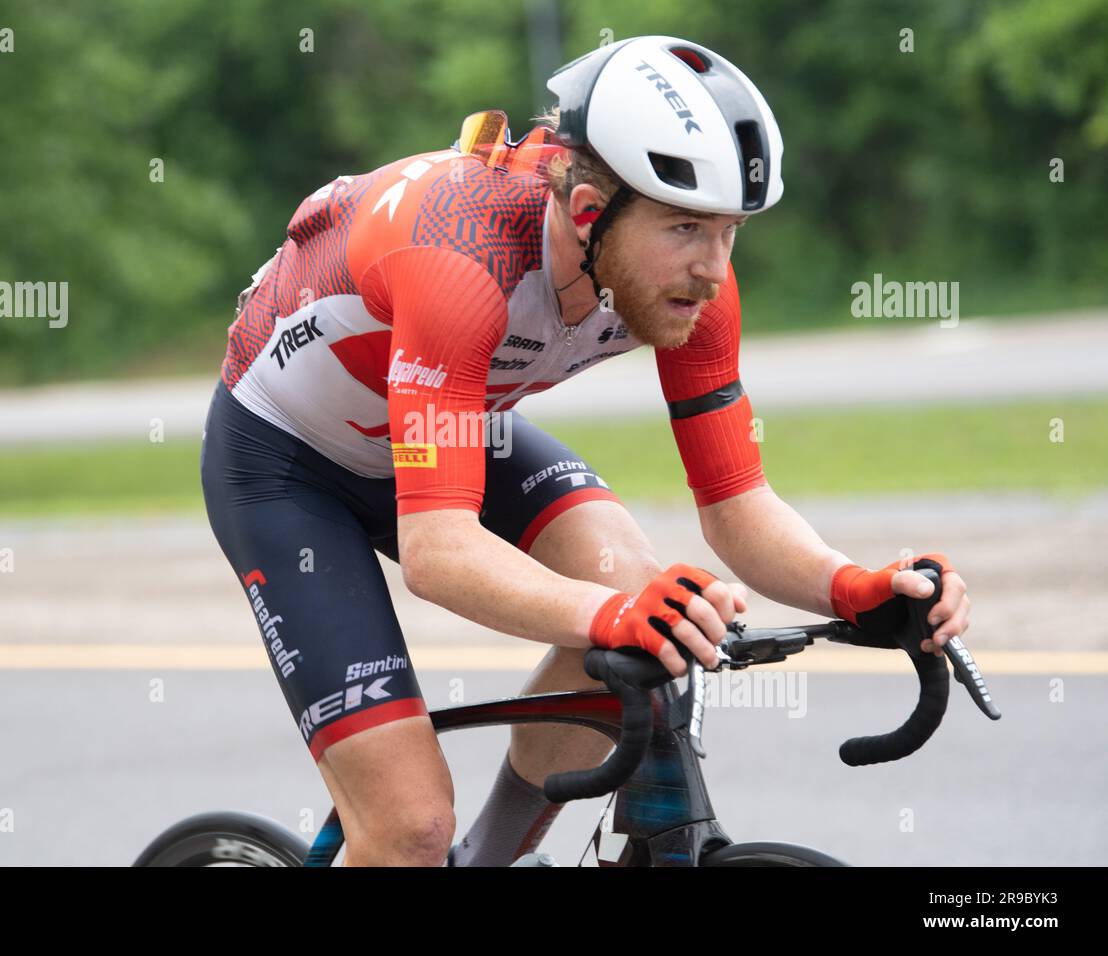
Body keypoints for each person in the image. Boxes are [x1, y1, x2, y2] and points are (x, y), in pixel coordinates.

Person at [200, 35, 970, 866]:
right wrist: (608, 616)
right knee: (408, 829)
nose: (713, 270)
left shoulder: (690, 286)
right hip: (286, 466)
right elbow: (438, 552)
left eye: (730, 231)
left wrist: (853, 588)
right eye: (685, 227)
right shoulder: (461, 261)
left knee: (649, 606)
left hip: (453, 424)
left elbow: (737, 506)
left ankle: (490, 856)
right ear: (590, 212)